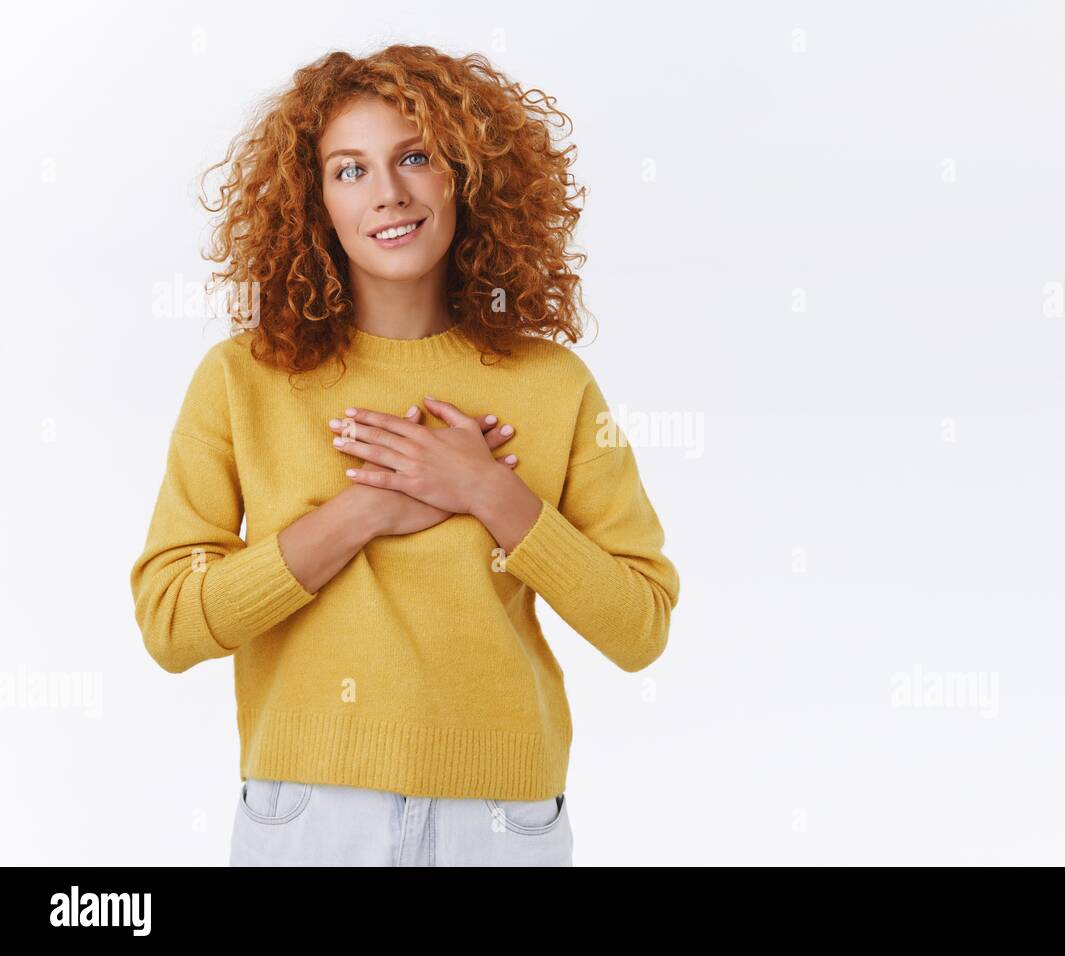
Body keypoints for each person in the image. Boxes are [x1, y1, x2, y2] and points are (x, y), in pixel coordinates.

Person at [128, 43, 681, 866]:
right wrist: (364, 511)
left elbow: (639, 628)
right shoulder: (242, 380)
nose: (387, 193)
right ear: (312, 201)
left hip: (502, 820)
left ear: (465, 175)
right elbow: (172, 624)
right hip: (309, 814)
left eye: (414, 158)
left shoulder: (553, 383)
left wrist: (488, 492)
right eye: (348, 170)